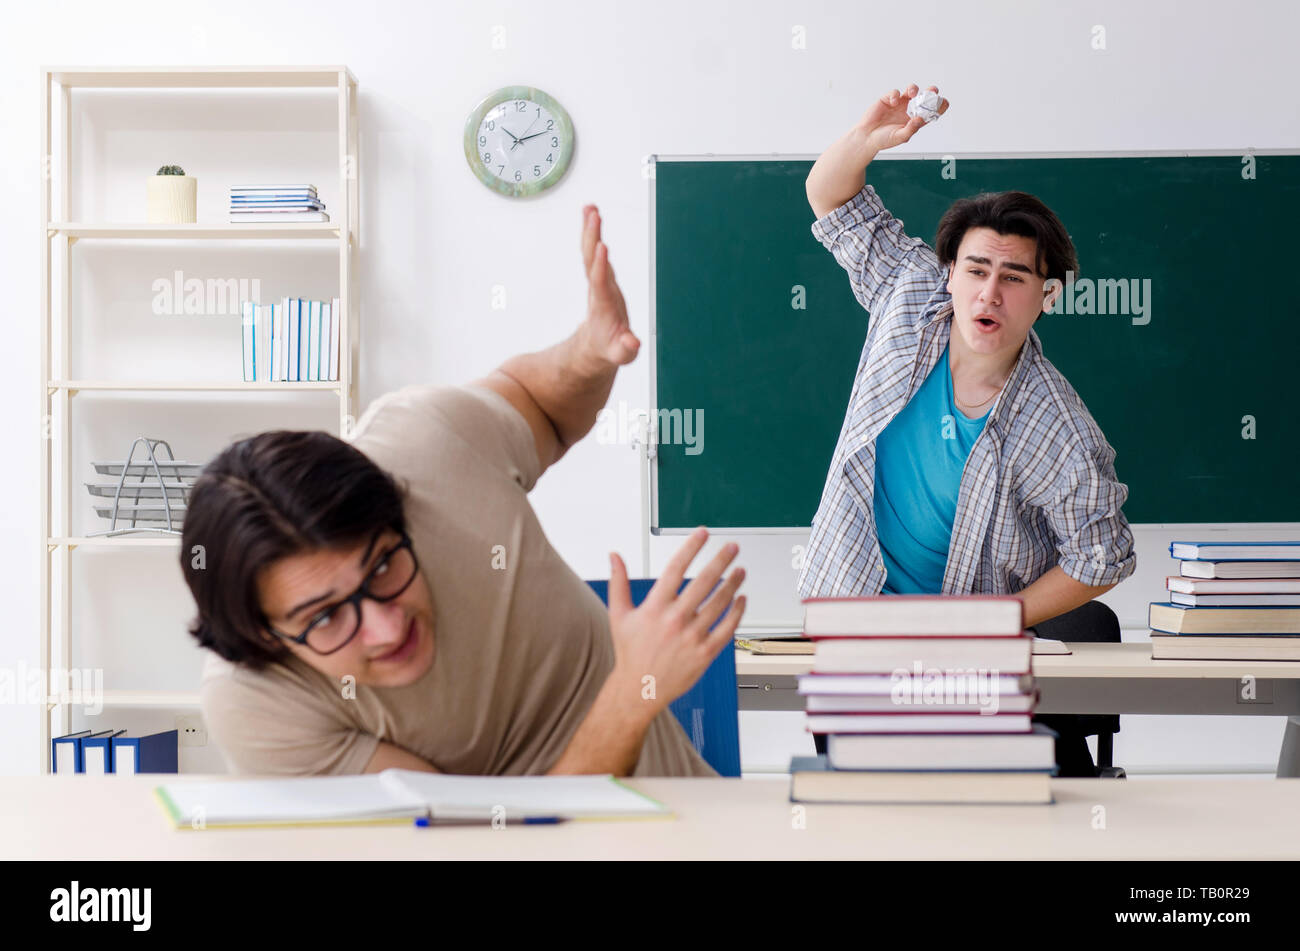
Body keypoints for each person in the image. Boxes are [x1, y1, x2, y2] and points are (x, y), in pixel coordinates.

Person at [181, 205, 746, 777]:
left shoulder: (427, 442)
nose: (387, 626)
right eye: (326, 617)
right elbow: (479, 850)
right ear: (263, 635)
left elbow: (543, 407)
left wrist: (591, 351)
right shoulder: (255, 706)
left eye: (381, 566)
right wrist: (633, 692)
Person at [798, 85, 1137, 775]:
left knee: (970, 820)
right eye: (976, 270)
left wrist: (1003, 616)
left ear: (1048, 295)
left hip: (964, 658)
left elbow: (1102, 552)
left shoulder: (1056, 423)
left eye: (1014, 277)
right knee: (862, 813)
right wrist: (868, 140)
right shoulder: (909, 295)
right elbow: (830, 197)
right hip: (851, 619)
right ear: (949, 274)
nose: (989, 293)